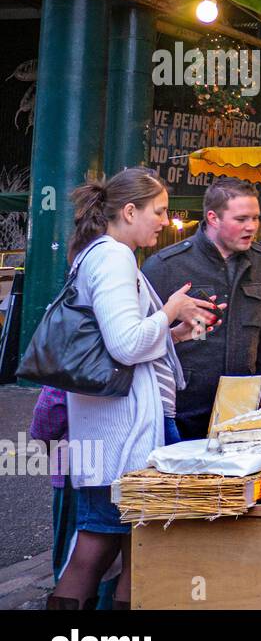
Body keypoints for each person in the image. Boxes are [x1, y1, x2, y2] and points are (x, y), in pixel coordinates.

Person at [49, 168, 217, 610]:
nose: (165, 221)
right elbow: (124, 345)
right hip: (119, 434)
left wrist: (175, 331)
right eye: (158, 211)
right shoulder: (113, 257)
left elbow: (123, 340)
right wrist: (170, 310)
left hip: (120, 427)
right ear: (129, 211)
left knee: (136, 545)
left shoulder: (103, 255)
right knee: (98, 543)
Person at [142, 177, 261, 440]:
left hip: (244, 412)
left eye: (256, 218)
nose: (251, 227)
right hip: (184, 412)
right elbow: (145, 339)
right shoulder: (166, 266)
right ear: (213, 218)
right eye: (241, 219)